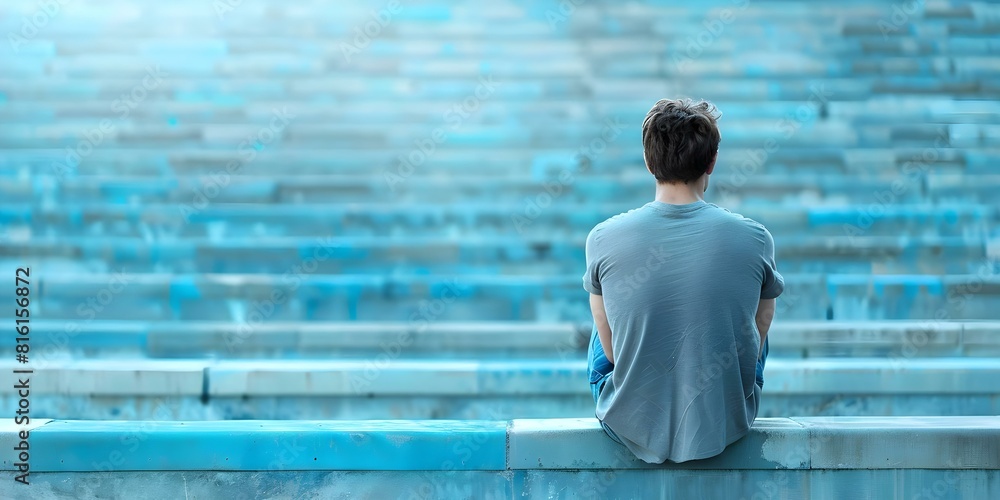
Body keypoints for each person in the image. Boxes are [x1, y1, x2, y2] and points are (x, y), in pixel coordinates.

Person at [584, 98, 784, 463]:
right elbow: (761, 328)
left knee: (602, 314)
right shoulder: (756, 238)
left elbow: (611, 350)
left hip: (628, 421)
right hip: (726, 421)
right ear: (712, 161)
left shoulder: (602, 236)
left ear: (648, 162)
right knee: (754, 306)